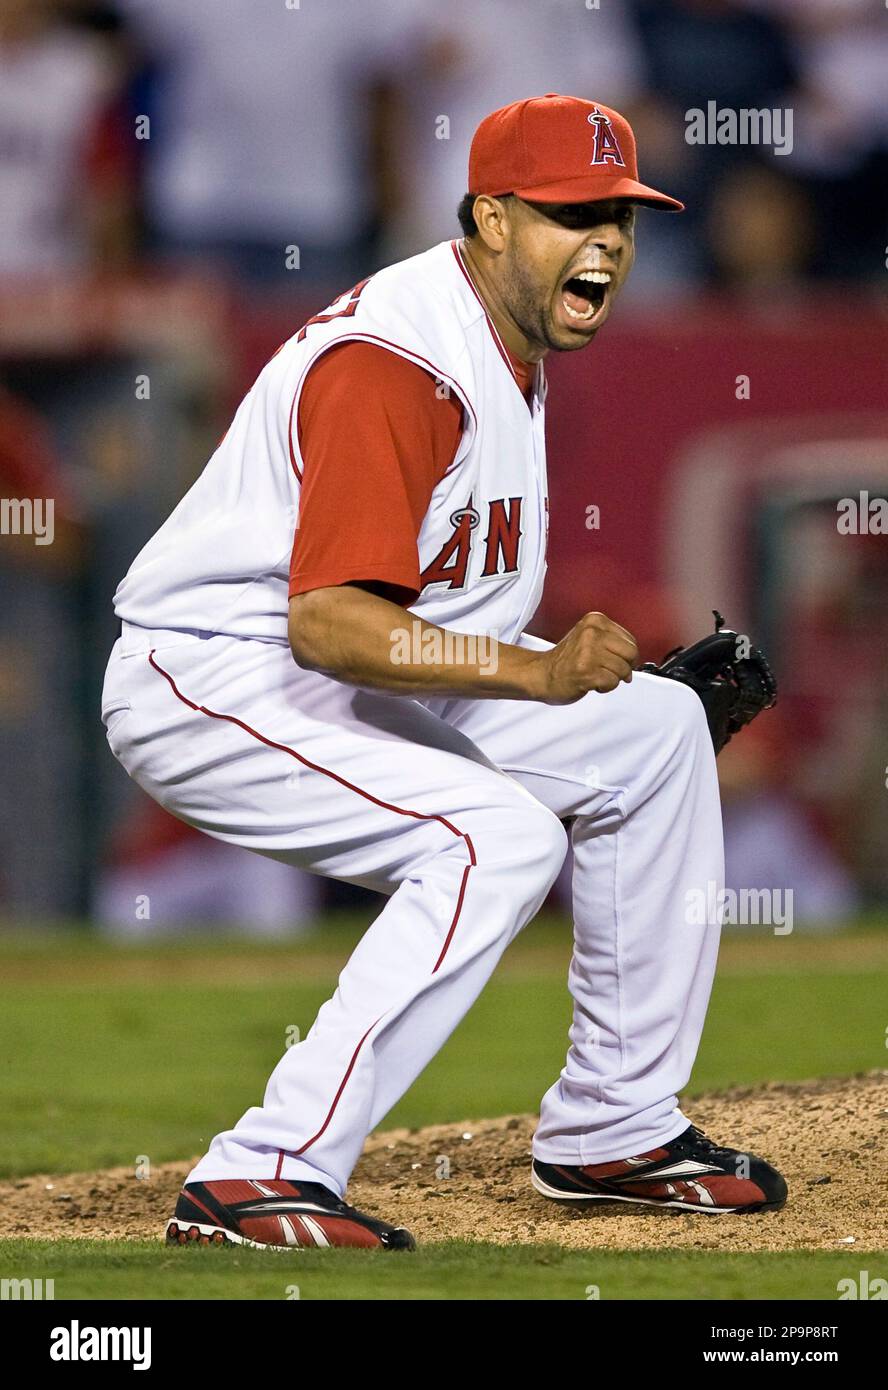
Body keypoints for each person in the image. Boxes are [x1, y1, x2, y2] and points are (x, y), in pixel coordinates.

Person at [101, 95, 787, 1252]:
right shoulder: (399, 363)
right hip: (220, 680)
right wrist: (536, 672)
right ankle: (259, 1172)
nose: (608, 241)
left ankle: (614, 1127)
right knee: (498, 837)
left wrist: (559, 688)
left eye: (622, 215)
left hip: (364, 680)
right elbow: (326, 622)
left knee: (661, 728)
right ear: (492, 218)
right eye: (574, 213)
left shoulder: (506, 337)